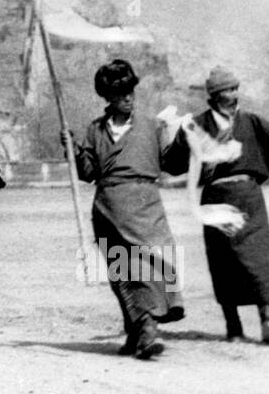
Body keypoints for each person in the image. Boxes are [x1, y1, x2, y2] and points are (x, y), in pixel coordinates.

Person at [168, 67, 269, 344]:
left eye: (233, 89)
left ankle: (268, 317)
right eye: (224, 91)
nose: (230, 96)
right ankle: (233, 325)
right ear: (213, 95)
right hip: (215, 198)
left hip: (248, 195)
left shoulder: (252, 122)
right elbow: (173, 164)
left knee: (259, 258)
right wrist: (180, 138)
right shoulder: (197, 125)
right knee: (223, 262)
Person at [70, 60, 185, 359]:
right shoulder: (95, 130)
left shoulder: (151, 125)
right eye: (120, 93)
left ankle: (146, 328)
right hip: (108, 206)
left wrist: (184, 140)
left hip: (146, 203)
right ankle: (140, 331)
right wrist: (71, 148)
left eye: (131, 91)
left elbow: (172, 164)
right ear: (108, 96)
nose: (128, 97)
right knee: (120, 271)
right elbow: (87, 171)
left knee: (150, 264)